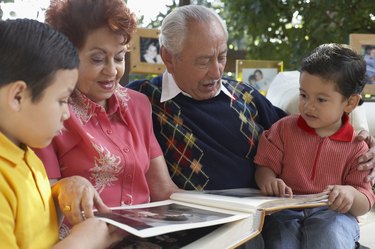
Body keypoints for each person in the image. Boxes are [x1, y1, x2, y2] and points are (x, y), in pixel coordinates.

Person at [126, 5, 375, 247]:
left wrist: (363, 140)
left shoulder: (245, 96)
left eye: (221, 57)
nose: (216, 72)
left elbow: (308, 130)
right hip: (196, 225)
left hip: (263, 219)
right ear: (168, 57)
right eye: (203, 62)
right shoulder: (140, 100)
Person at [34, 0, 180, 231]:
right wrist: (66, 185)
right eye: (98, 59)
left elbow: (163, 189)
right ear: (66, 55)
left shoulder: (138, 105)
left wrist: (222, 208)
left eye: (120, 57)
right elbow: (41, 202)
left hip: (144, 239)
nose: (112, 71)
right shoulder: (49, 111)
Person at [0, 18, 123, 249]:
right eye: (62, 100)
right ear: (17, 96)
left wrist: (62, 189)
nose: (66, 114)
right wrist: (81, 242)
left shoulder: (26, 156)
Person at [254, 43, 375, 249]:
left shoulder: (358, 147)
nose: (308, 106)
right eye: (303, 95)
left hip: (334, 215)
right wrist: (269, 181)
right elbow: (264, 167)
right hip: (285, 211)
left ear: (350, 103)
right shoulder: (283, 129)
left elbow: (365, 200)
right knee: (281, 240)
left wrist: (350, 194)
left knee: (330, 235)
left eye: (321, 99)